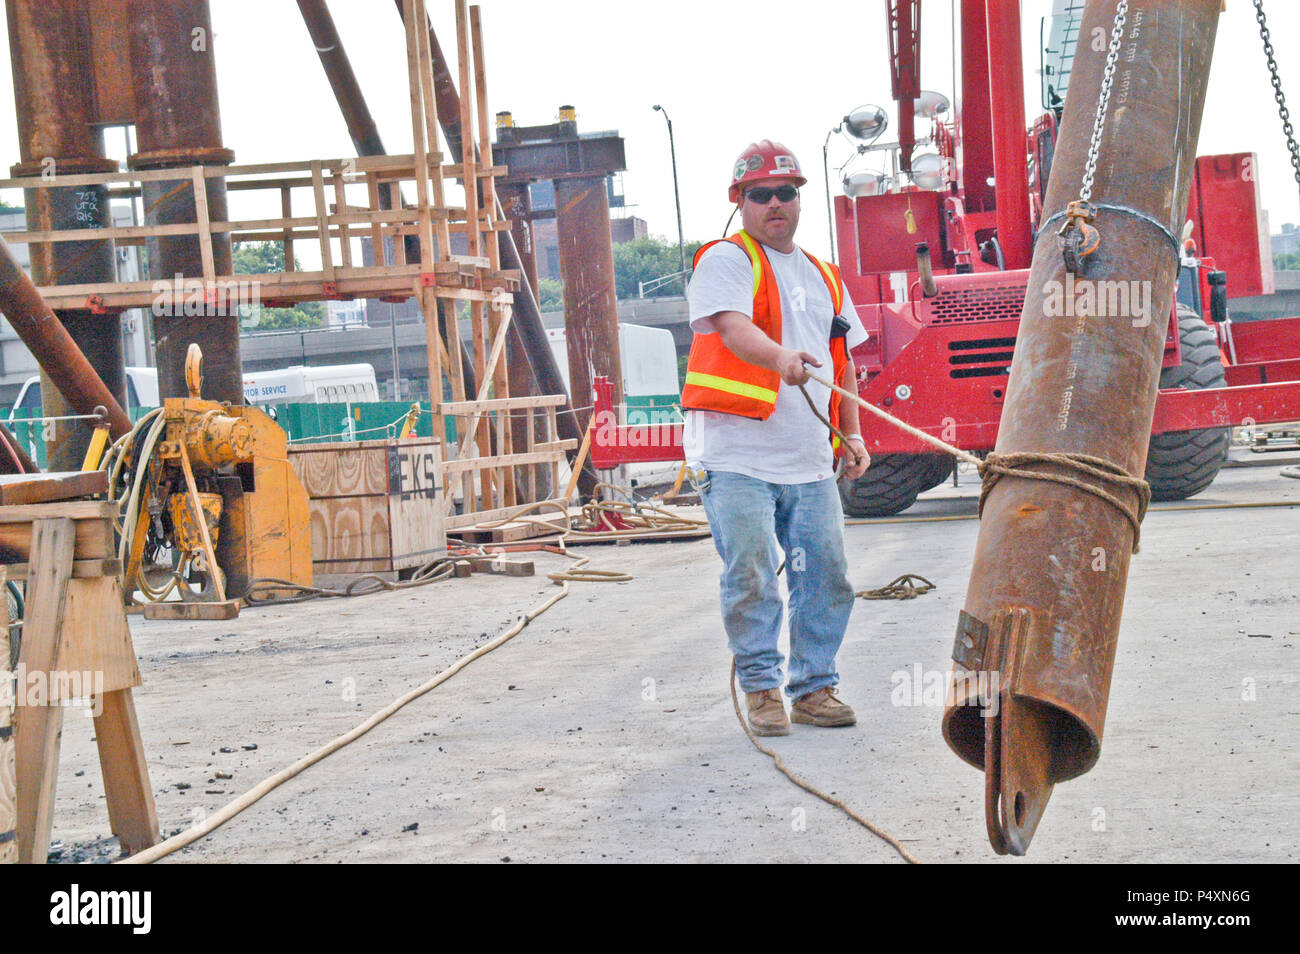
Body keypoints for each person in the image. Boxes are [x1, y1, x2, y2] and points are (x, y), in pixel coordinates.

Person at [682, 139, 871, 737]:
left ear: (799, 199)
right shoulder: (726, 261)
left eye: (785, 192)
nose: (774, 203)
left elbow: (843, 366)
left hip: (809, 460)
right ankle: (763, 687)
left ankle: (814, 688)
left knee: (826, 576)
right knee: (753, 571)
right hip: (737, 456)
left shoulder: (824, 275)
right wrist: (781, 357)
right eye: (759, 194)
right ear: (740, 202)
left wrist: (855, 435)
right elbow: (735, 331)